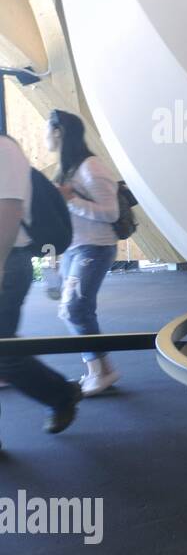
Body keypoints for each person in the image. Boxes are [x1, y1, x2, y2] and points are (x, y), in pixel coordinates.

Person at [0, 132, 81, 446]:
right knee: (4, 352)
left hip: (8, 263)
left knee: (4, 355)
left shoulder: (4, 149)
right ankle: (61, 394)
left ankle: (61, 394)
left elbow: (9, 213)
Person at [49, 110, 121, 396]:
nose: (44, 136)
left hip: (95, 247)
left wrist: (72, 199)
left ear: (59, 132)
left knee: (74, 308)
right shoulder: (70, 167)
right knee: (77, 310)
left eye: (47, 129)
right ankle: (102, 371)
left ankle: (99, 371)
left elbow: (111, 213)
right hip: (76, 248)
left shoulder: (91, 167)